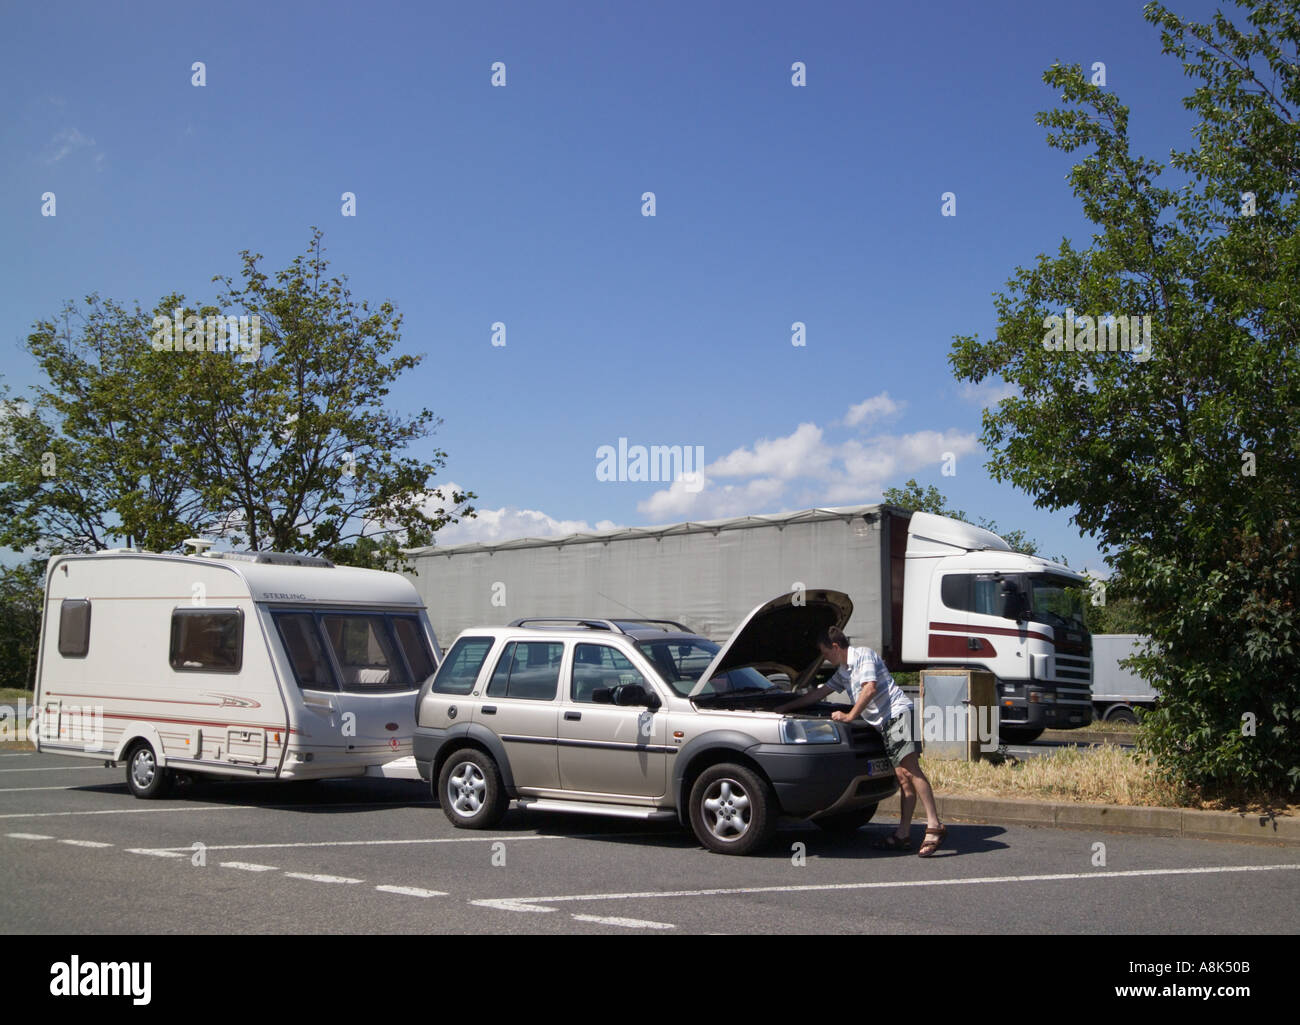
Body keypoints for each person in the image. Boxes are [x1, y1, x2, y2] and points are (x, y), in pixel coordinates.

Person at [776, 626, 946, 856]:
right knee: (904, 779)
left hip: (897, 715)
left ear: (835, 647)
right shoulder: (843, 671)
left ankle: (934, 825)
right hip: (884, 724)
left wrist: (850, 716)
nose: (824, 658)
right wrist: (784, 707)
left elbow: (869, 688)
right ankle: (903, 834)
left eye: (825, 653)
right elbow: (819, 693)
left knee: (912, 771)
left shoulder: (863, 655)